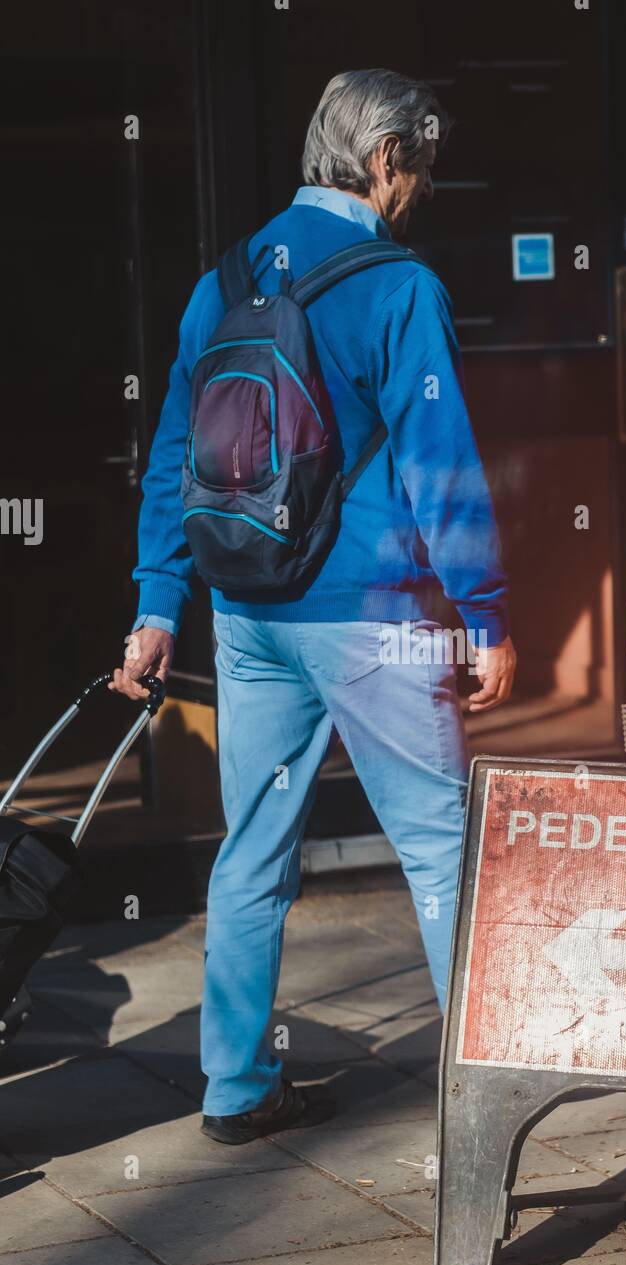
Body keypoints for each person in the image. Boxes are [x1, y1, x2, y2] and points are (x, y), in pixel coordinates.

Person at [111, 69, 516, 1143]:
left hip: (247, 619)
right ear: (384, 160)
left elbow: (171, 460)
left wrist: (159, 606)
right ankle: (480, 1100)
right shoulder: (399, 286)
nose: (419, 188)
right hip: (371, 619)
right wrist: (483, 611)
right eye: (417, 167)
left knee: (250, 854)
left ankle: (235, 1089)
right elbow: (443, 467)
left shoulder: (223, 280)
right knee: (440, 851)